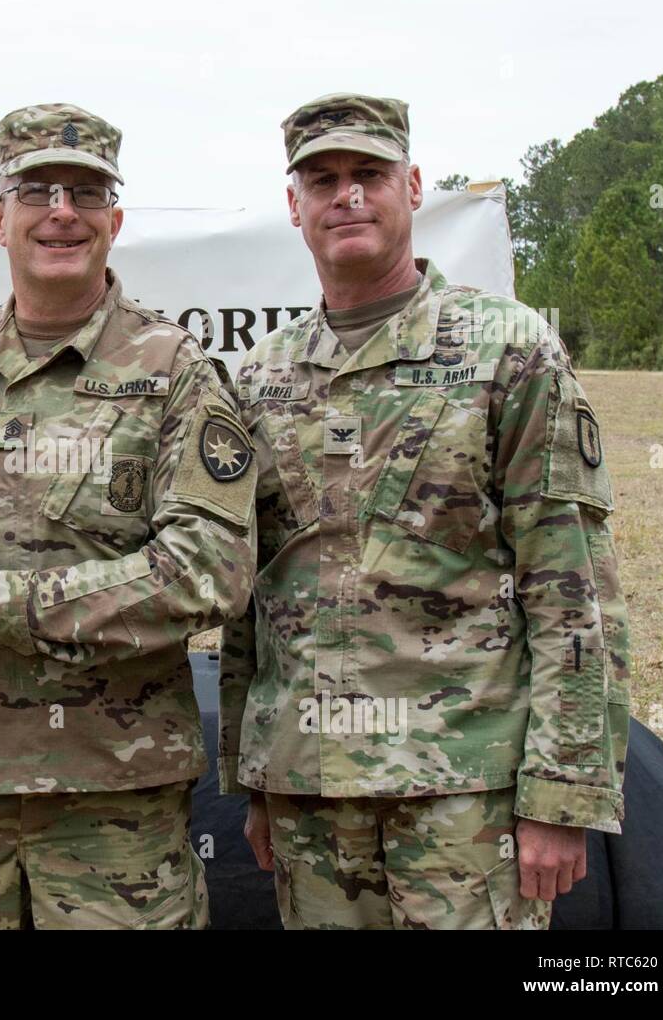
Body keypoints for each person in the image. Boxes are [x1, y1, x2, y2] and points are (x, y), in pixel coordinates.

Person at [219, 92, 631, 929]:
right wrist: (251, 773)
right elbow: (249, 598)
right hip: (311, 786)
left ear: (411, 186)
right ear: (293, 205)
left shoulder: (507, 351)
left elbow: (573, 589)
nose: (349, 196)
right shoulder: (261, 378)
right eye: (323, 179)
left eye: (369, 174)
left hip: (463, 796)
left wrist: (562, 792)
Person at [0, 102, 257, 929]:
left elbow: (212, 570)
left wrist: (6, 606)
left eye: (86, 194)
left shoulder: (174, 372)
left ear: (114, 221)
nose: (62, 211)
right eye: (37, 190)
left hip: (108, 800)